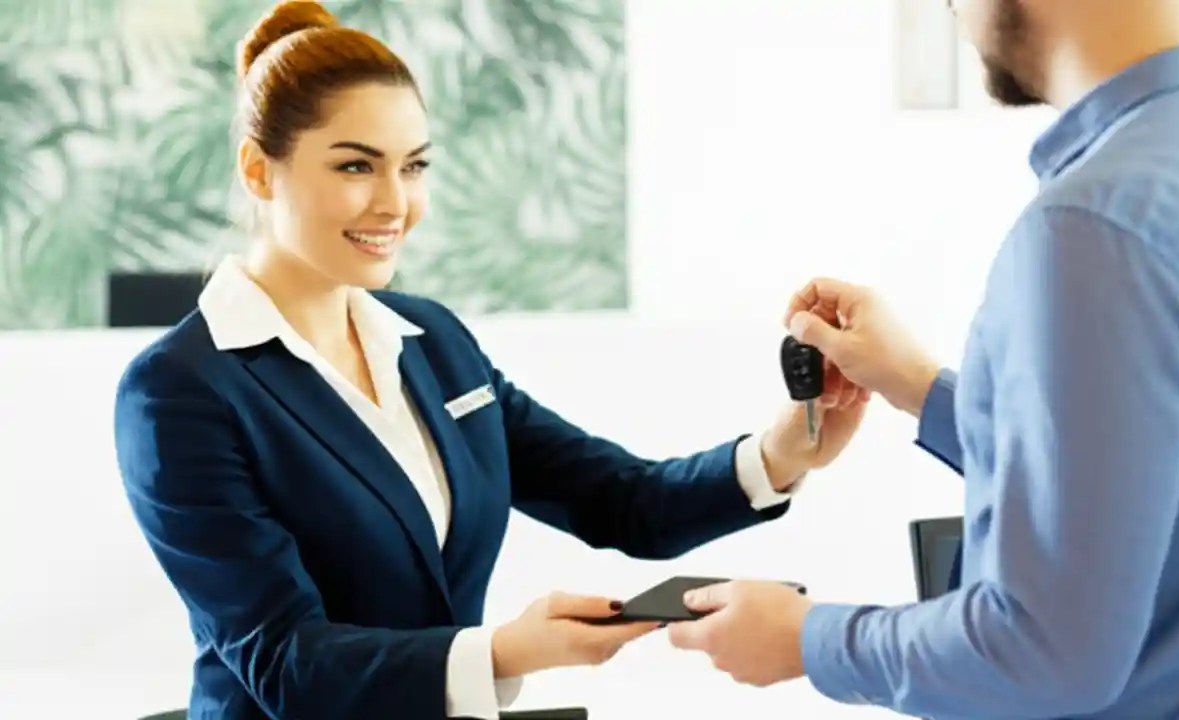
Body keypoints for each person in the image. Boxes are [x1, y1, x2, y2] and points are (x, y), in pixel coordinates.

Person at [111, 2, 873, 718]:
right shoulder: (180, 391)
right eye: (355, 167)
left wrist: (781, 451)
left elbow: (617, 498)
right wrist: (502, 653)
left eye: (413, 167)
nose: (394, 203)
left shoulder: (430, 340)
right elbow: (283, 661)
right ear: (257, 169)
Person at [666, 0, 1179, 717]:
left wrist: (806, 639)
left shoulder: (1093, 226)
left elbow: (1044, 650)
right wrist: (919, 388)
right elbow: (1175, 478)